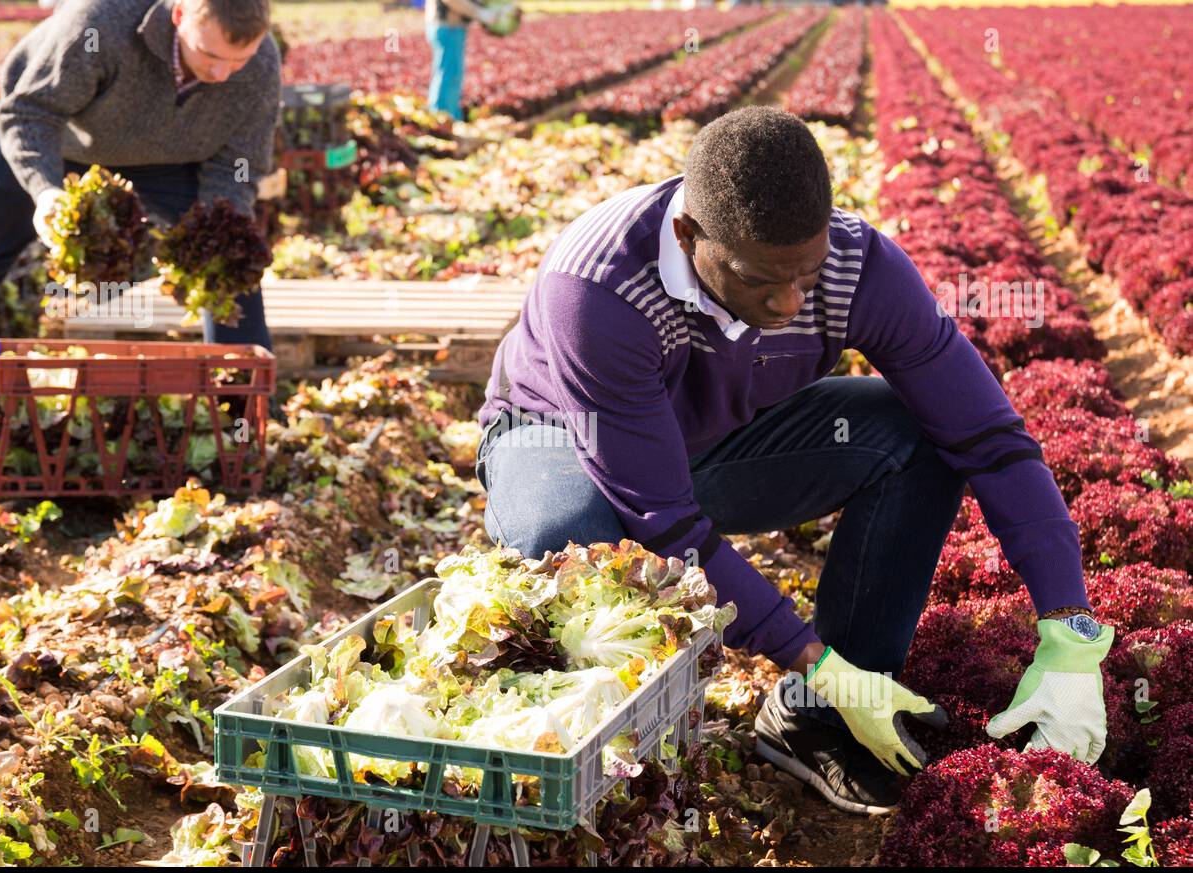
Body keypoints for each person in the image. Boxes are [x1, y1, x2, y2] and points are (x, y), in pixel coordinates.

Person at [475, 107, 1113, 815]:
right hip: (560, 437)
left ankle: (817, 718)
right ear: (689, 235)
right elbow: (661, 520)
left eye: (804, 275)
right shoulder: (599, 291)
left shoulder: (855, 265)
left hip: (716, 442)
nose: (788, 302)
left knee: (918, 437)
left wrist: (1068, 626)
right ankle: (592, 769)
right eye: (758, 280)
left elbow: (987, 435)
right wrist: (816, 658)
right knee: (577, 541)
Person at [0, 0, 280, 441]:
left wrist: (220, 224)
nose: (223, 74)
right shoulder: (99, 24)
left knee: (228, 271)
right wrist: (45, 192)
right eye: (210, 56)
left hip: (169, 161)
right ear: (179, 18)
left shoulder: (260, 60)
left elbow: (239, 160)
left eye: (239, 60)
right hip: (55, 145)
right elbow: (29, 113)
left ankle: (240, 424)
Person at [424, 0, 510, 121]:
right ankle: (441, 119)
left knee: (452, 75)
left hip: (451, 27)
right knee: (448, 75)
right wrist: (480, 13)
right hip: (448, 27)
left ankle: (450, 118)